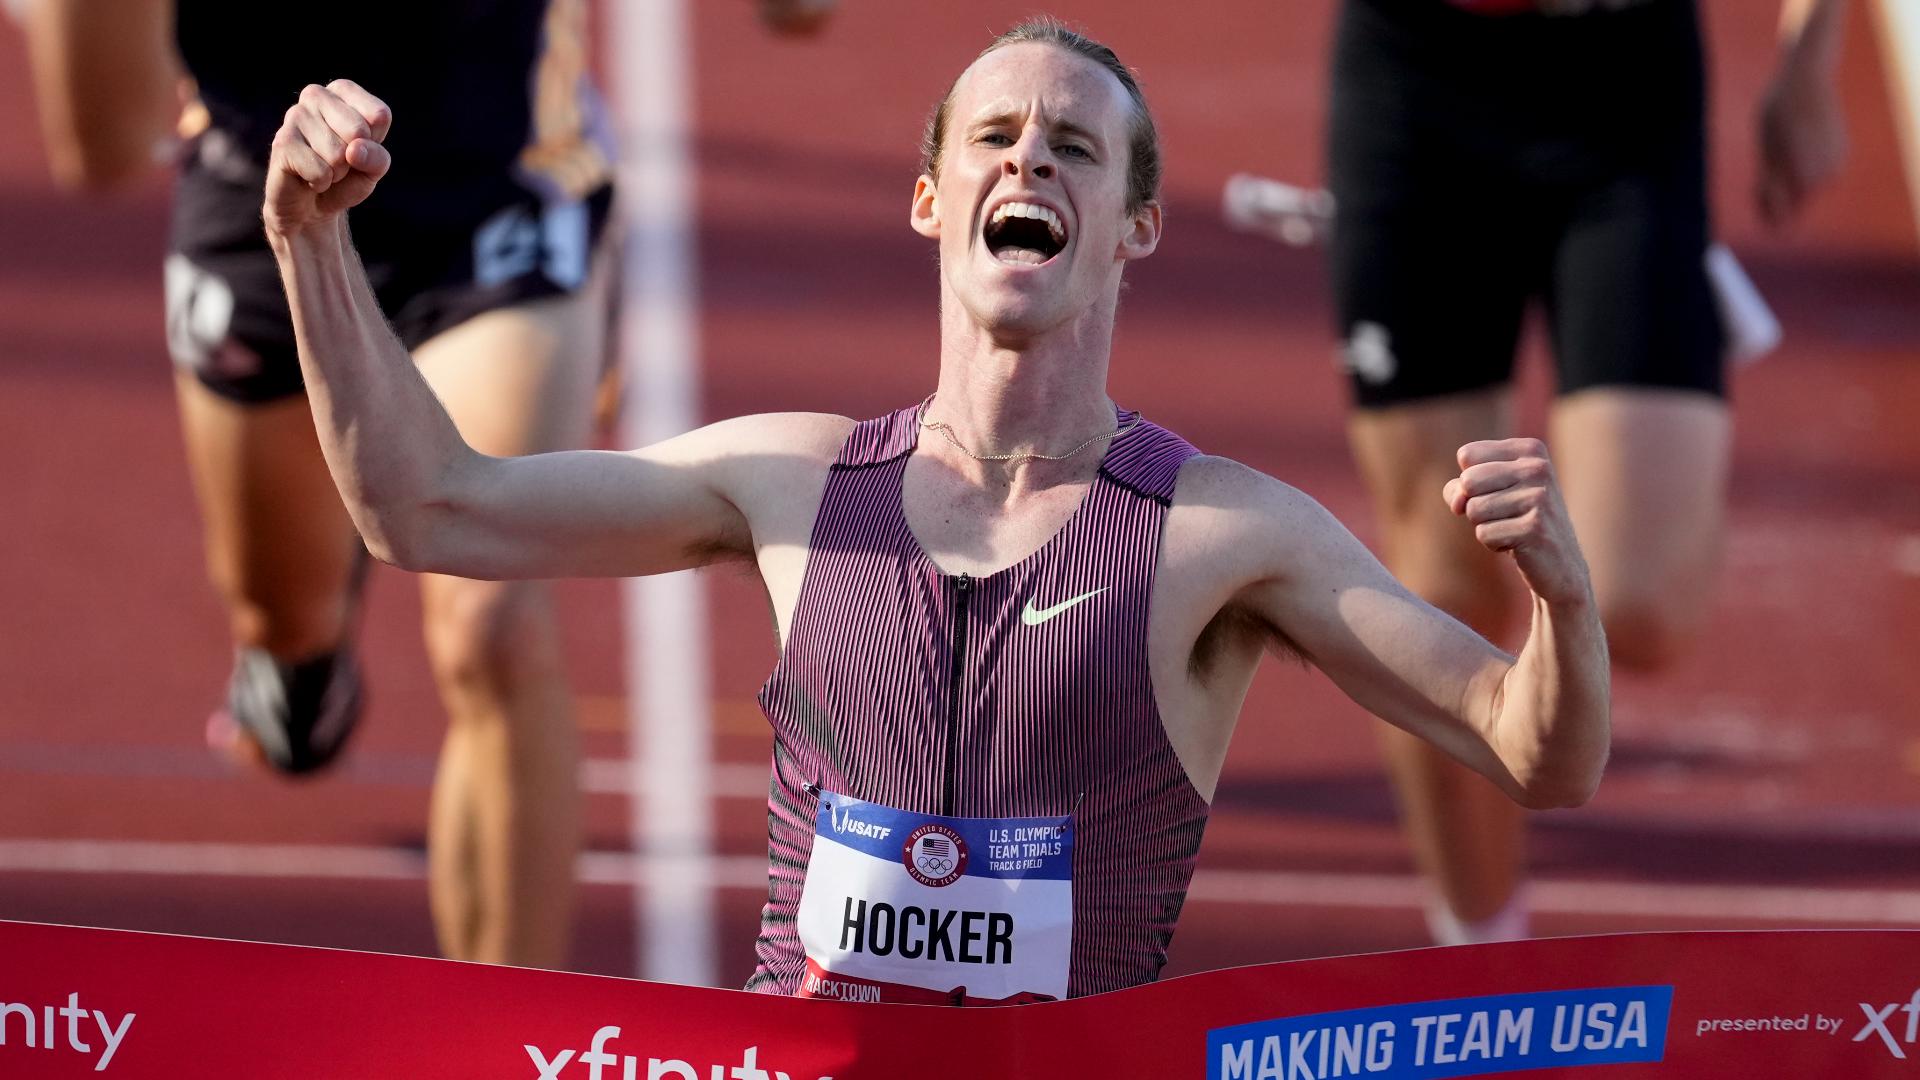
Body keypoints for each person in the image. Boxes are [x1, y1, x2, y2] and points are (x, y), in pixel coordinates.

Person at [264, 19, 1610, 1003]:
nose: (1030, 159)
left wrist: (1562, 594)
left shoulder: (1224, 537)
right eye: (995, 137)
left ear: (1134, 226)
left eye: (1076, 147)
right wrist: (310, 248)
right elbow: (430, 509)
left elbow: (1532, 750)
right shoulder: (793, 483)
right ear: (931, 200)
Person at [22, 0, 617, 970]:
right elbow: (102, 149)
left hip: (501, 198)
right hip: (260, 200)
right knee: (280, 621)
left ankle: (504, 1039)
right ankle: (301, 667)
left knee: (492, 623)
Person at [1321, 0, 1850, 945]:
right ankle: (1480, 967)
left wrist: (1809, 59)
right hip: (1418, 82)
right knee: (1440, 597)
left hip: (1623, 84)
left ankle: (1668, 311)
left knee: (1638, 607)